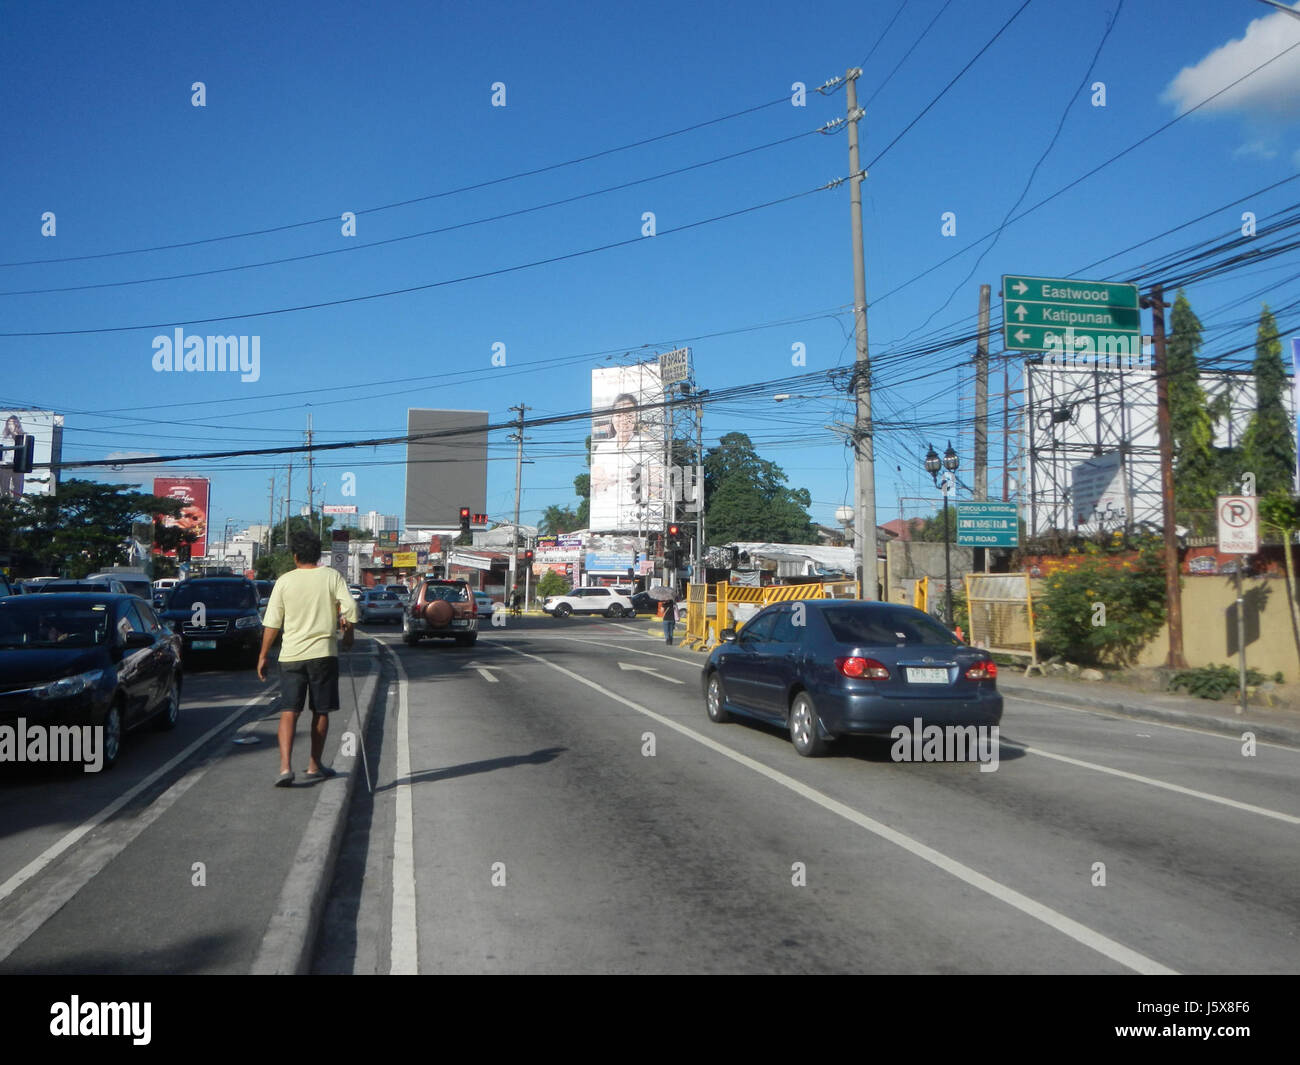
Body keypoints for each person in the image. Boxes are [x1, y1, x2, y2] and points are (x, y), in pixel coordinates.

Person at [258, 531, 358, 787]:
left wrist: (262, 656)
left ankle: (284, 768)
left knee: (289, 710)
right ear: (318, 555)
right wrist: (348, 636)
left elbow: (272, 623)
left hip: (291, 655)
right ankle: (314, 765)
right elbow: (351, 609)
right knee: (321, 711)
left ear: (295, 556)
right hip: (324, 654)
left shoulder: (284, 581)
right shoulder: (331, 577)